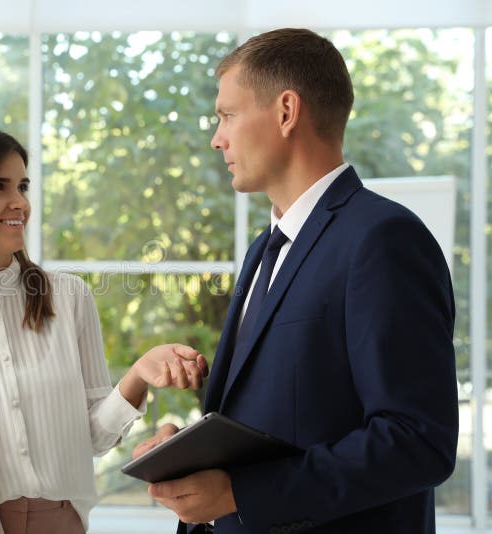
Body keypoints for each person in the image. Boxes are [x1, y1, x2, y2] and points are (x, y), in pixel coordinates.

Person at [133, 28, 458, 533]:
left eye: (227, 115)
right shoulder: (262, 251)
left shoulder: (383, 239)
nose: (216, 138)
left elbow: (418, 440)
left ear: (286, 112)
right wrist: (191, 459)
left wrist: (240, 493)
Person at [0, 127, 209, 533]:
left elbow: (95, 437)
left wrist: (137, 376)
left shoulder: (69, 298)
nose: (20, 203)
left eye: (22, 186)